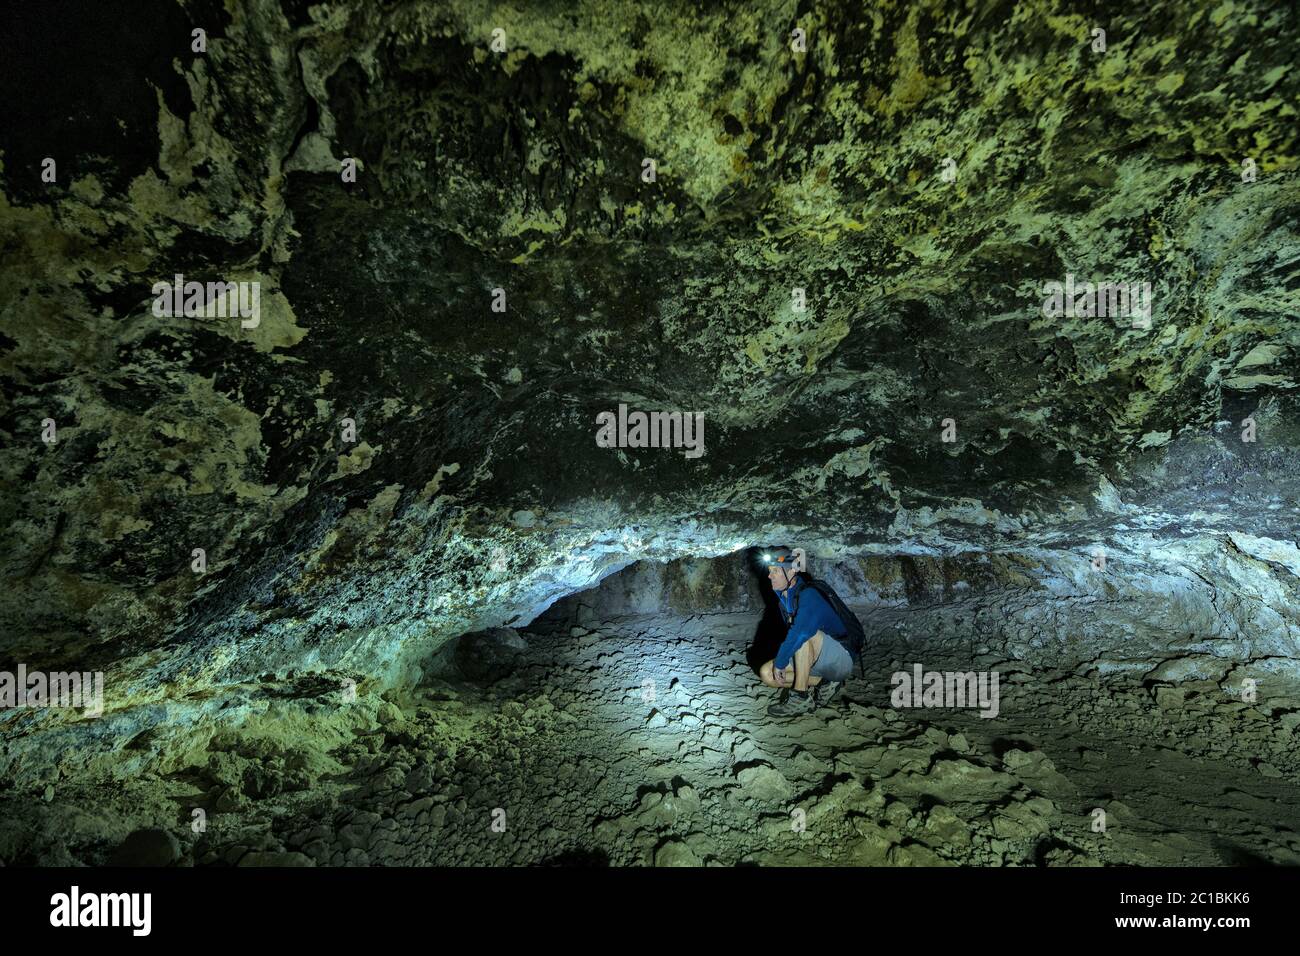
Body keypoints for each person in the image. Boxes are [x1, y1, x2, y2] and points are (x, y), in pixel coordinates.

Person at [757, 548, 855, 717]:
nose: (769, 576)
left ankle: (800, 697)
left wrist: (781, 662)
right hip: (817, 658)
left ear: (792, 571)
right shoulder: (785, 601)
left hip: (841, 658)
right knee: (767, 674)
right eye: (769, 571)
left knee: (803, 635)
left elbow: (801, 634)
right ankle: (825, 683)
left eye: (775, 571)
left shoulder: (809, 595)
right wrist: (780, 663)